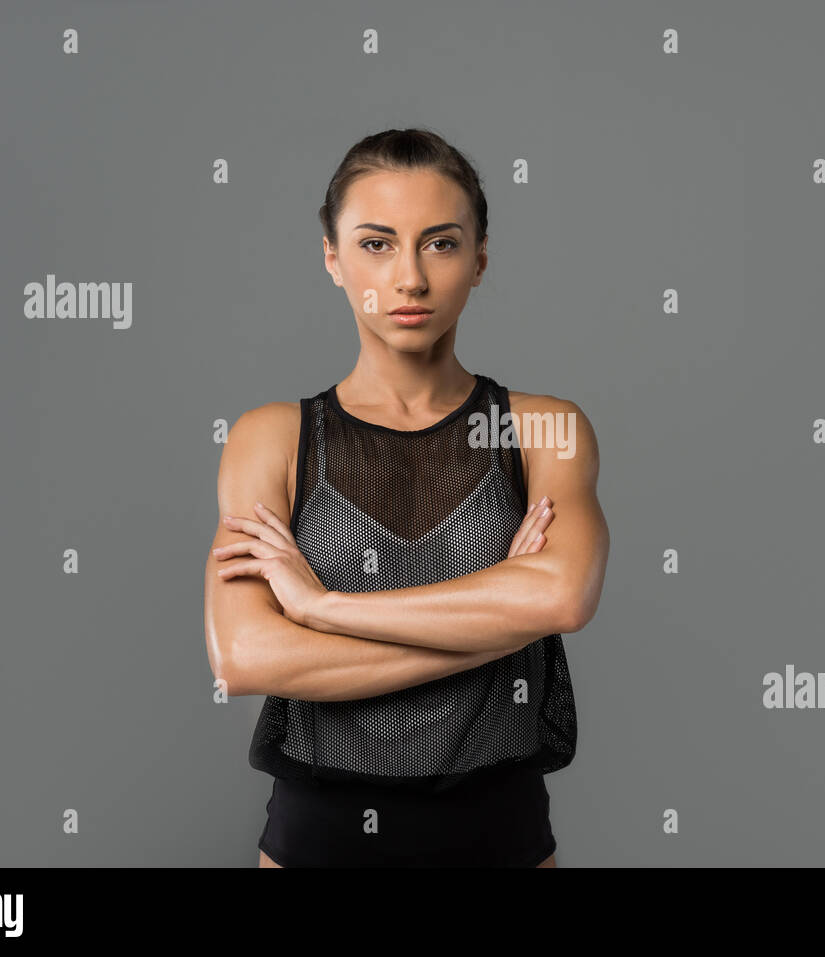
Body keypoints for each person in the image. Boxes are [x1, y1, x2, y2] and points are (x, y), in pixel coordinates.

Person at [202, 128, 610, 867]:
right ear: (332, 256)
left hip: (502, 840)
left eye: (442, 243)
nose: (411, 278)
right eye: (378, 243)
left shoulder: (544, 428)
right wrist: (498, 624)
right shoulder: (271, 439)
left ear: (481, 257)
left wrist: (323, 610)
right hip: (315, 844)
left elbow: (564, 597)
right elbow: (244, 653)